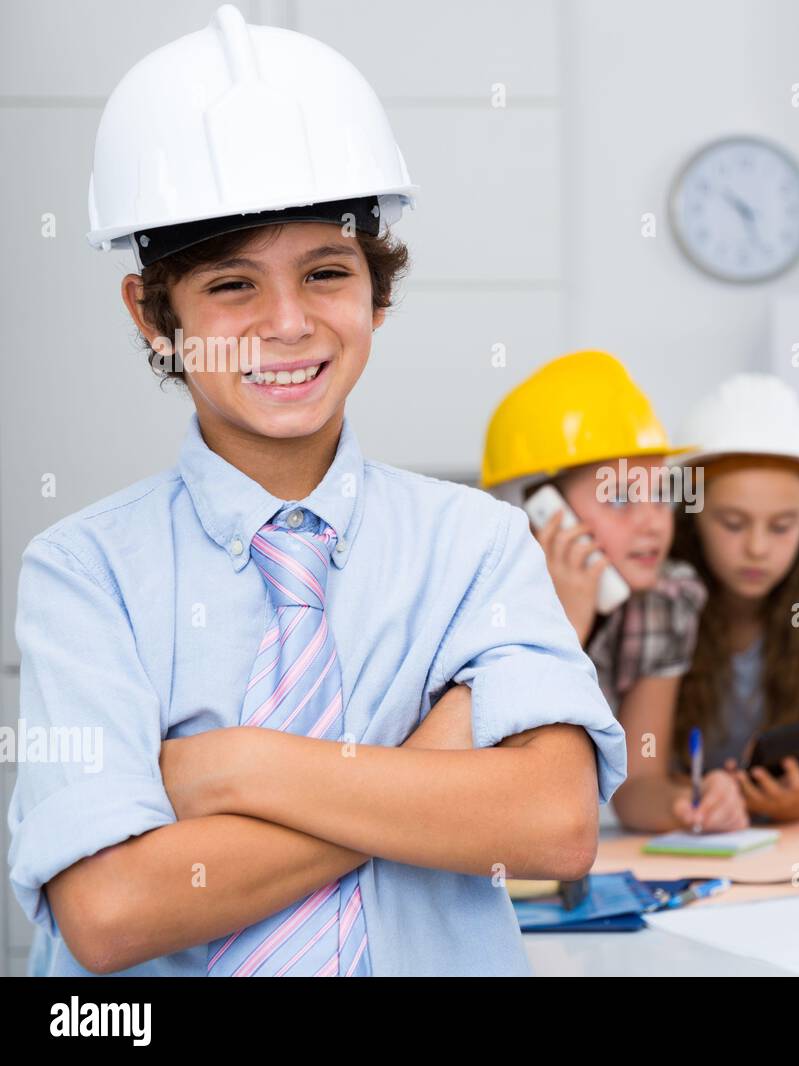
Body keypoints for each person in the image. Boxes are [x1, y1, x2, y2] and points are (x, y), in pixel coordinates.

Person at [6, 5, 624, 977]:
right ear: (151, 312)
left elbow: (553, 823)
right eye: (231, 285)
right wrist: (429, 775)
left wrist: (235, 769)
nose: (287, 324)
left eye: (326, 271)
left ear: (377, 292)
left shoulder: (475, 544)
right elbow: (112, 910)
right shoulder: (85, 572)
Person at [482, 350, 748, 833]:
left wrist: (687, 806)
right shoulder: (481, 607)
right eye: (621, 498)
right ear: (542, 512)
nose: (652, 523)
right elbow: (488, 789)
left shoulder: (666, 602)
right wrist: (564, 630)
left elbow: (637, 783)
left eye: (661, 494)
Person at [672, 374, 799, 823]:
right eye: (733, 524)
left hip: (774, 840)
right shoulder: (663, 606)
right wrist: (704, 802)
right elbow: (639, 782)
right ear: (693, 518)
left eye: (781, 526)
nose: (757, 548)